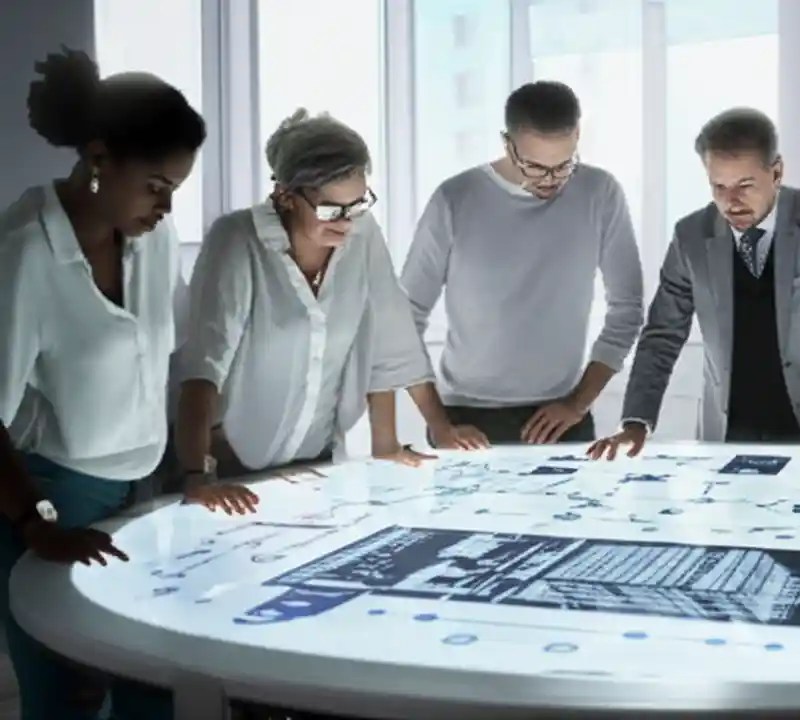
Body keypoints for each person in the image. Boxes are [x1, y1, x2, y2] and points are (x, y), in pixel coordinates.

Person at [0, 47, 206, 719]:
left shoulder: (152, 237)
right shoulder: (23, 252)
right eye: (154, 184)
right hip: (52, 496)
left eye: (175, 187)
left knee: (152, 687)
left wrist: (193, 466)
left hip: (141, 497)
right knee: (68, 697)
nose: (166, 204)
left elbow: (170, 363)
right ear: (97, 160)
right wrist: (39, 524)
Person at [587, 107, 800, 460]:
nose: (731, 202)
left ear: (776, 172)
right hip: (727, 435)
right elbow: (662, 336)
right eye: (719, 187)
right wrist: (635, 423)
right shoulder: (690, 238)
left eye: (745, 186)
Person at [174, 110, 436, 503]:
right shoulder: (237, 239)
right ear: (286, 196)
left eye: (358, 204)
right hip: (232, 465)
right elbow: (203, 367)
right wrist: (198, 472)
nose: (346, 222)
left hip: (316, 466)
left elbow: (381, 342)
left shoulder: (361, 236)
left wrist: (390, 444)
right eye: (332, 209)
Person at [400, 81, 645, 447]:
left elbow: (627, 311)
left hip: (562, 419)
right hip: (464, 418)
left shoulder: (600, 193)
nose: (550, 182)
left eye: (563, 166)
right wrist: (438, 424)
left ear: (578, 136)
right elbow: (403, 319)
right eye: (534, 166)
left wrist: (579, 403)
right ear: (506, 142)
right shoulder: (454, 199)